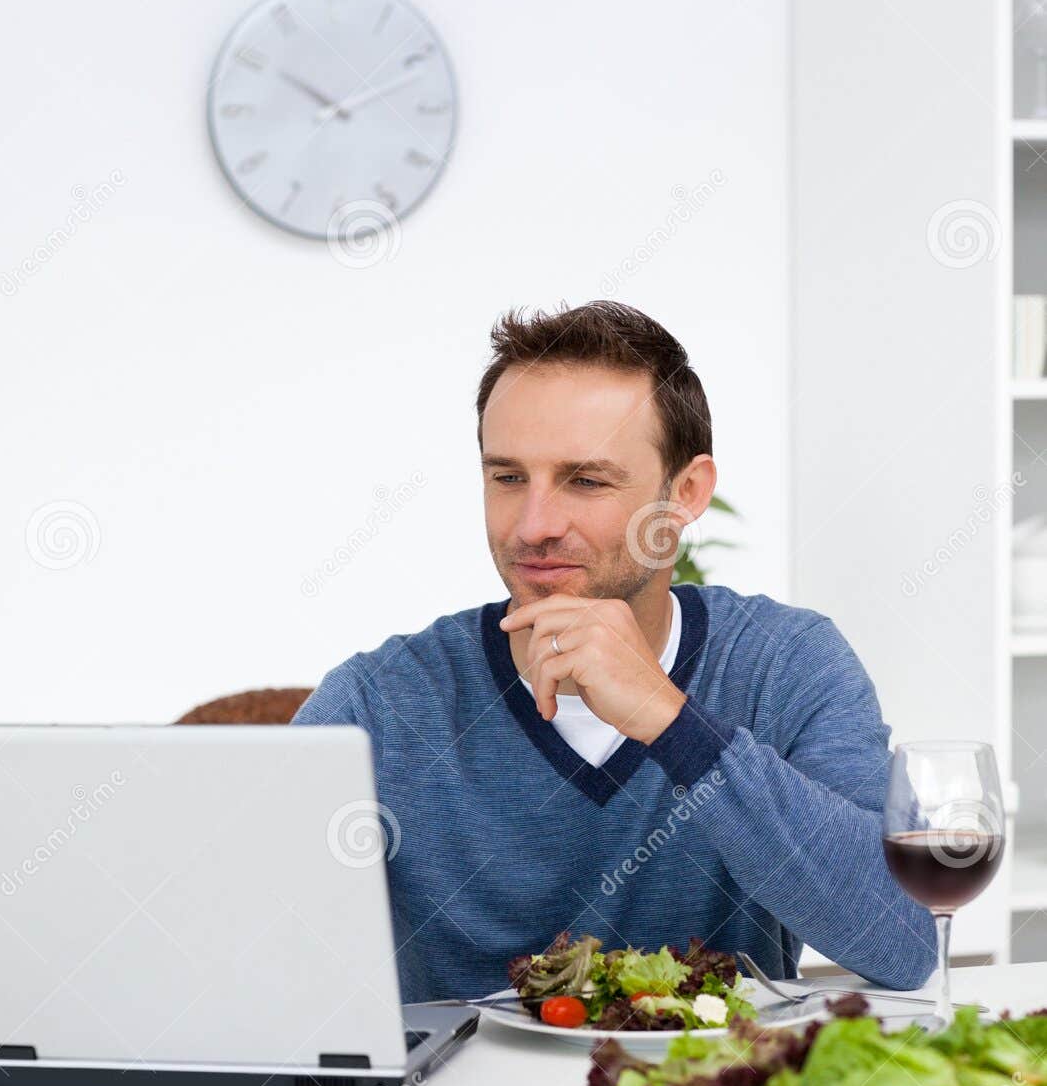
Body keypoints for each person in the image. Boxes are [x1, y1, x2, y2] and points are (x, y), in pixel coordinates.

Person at [294, 301, 936, 1001]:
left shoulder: (785, 663)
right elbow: (251, 951)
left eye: (586, 481)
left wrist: (670, 719)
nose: (533, 525)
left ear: (684, 494)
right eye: (508, 478)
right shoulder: (378, 701)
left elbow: (901, 943)